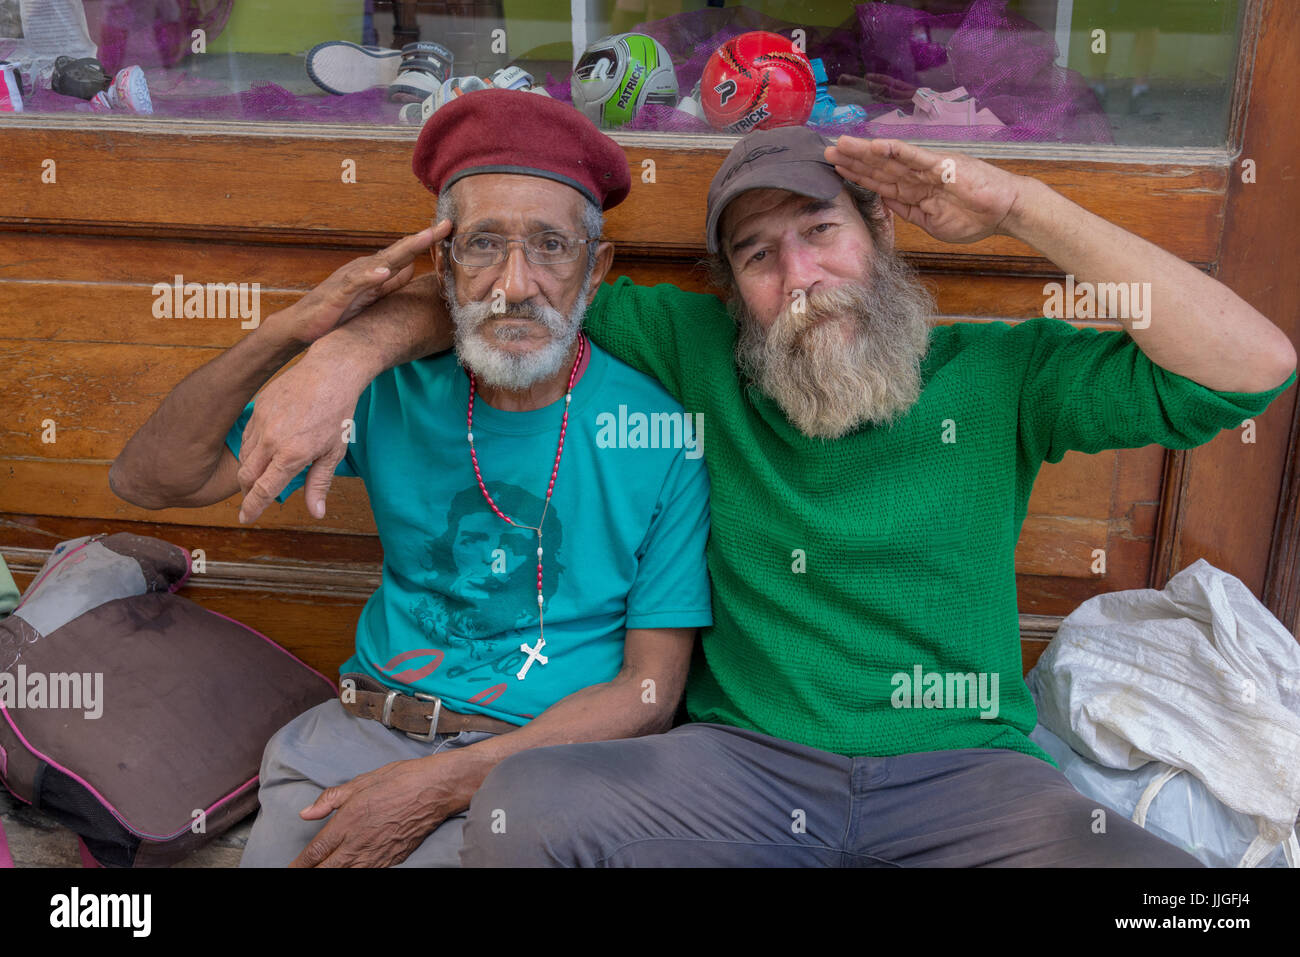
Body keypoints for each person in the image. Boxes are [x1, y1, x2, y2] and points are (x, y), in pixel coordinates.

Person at [231, 121, 1297, 867]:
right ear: (730, 289)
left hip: (964, 772)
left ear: (879, 239)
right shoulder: (697, 349)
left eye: (822, 234)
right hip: (744, 769)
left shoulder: (1002, 375)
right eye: (757, 256)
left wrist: (1020, 206)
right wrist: (342, 357)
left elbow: (1249, 367)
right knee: (526, 811)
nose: (799, 278)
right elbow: (511, 297)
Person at [107, 89, 712, 867]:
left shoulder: (659, 435)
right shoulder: (387, 390)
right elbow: (150, 480)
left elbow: (649, 694)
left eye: (551, 248)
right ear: (443, 264)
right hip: (353, 740)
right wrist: (296, 333)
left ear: (596, 270)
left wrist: (439, 782)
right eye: (485, 244)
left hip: (539, 770)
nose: (515, 283)